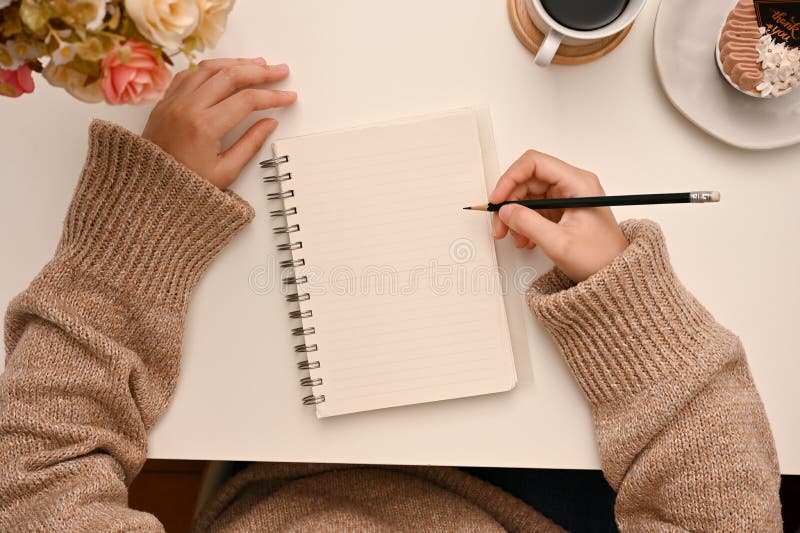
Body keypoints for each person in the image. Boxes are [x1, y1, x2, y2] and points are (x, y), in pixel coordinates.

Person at [0, 57, 782, 532]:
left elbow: (34, 479)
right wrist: (622, 300)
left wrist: (143, 221)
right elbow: (721, 509)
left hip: (277, 486)